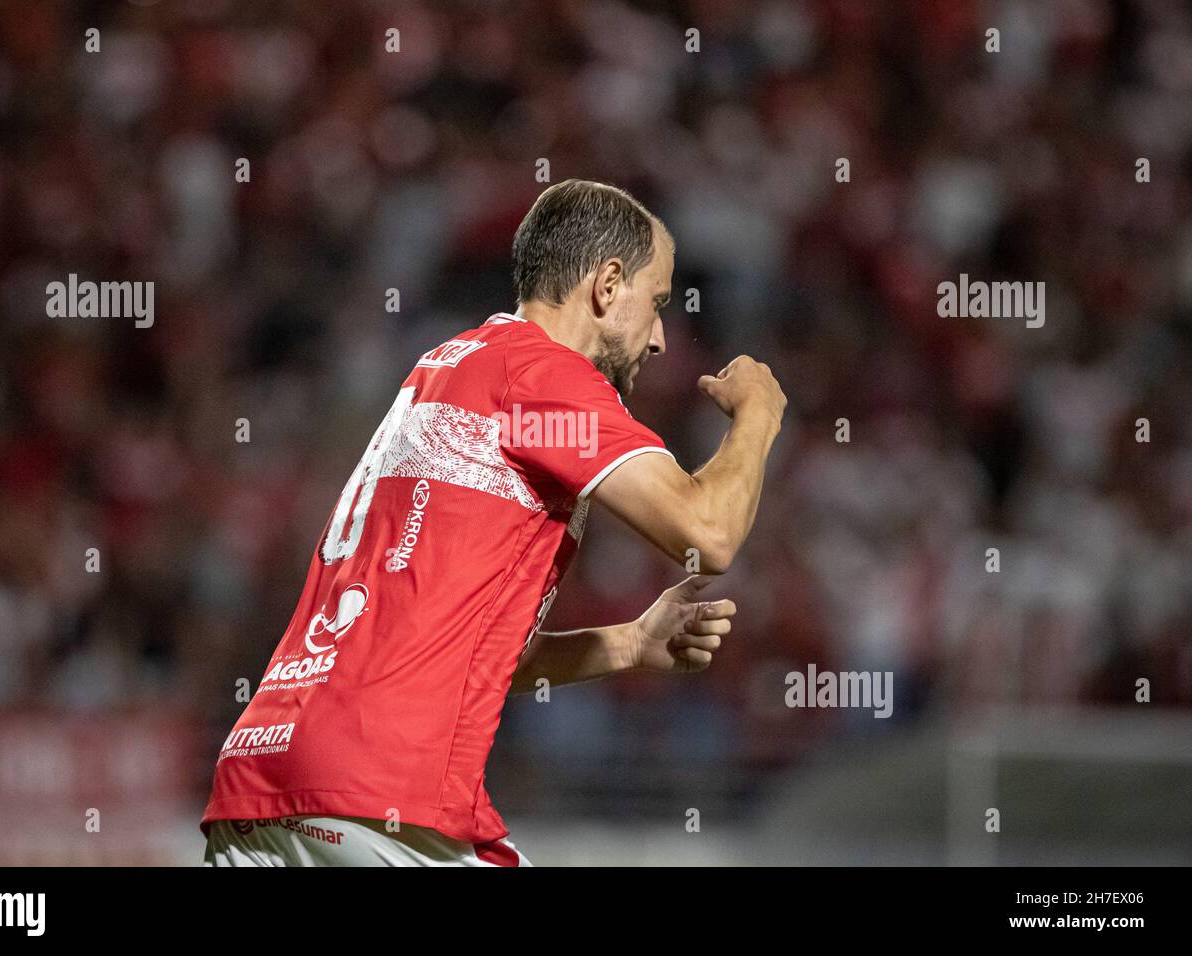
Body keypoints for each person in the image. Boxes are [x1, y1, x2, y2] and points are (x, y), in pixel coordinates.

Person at [201, 179, 787, 866]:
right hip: (382, 792)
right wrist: (761, 413)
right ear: (606, 286)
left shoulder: (444, 368)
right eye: (656, 303)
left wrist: (629, 644)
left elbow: (465, 649)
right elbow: (707, 533)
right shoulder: (543, 377)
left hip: (262, 779)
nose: (659, 338)